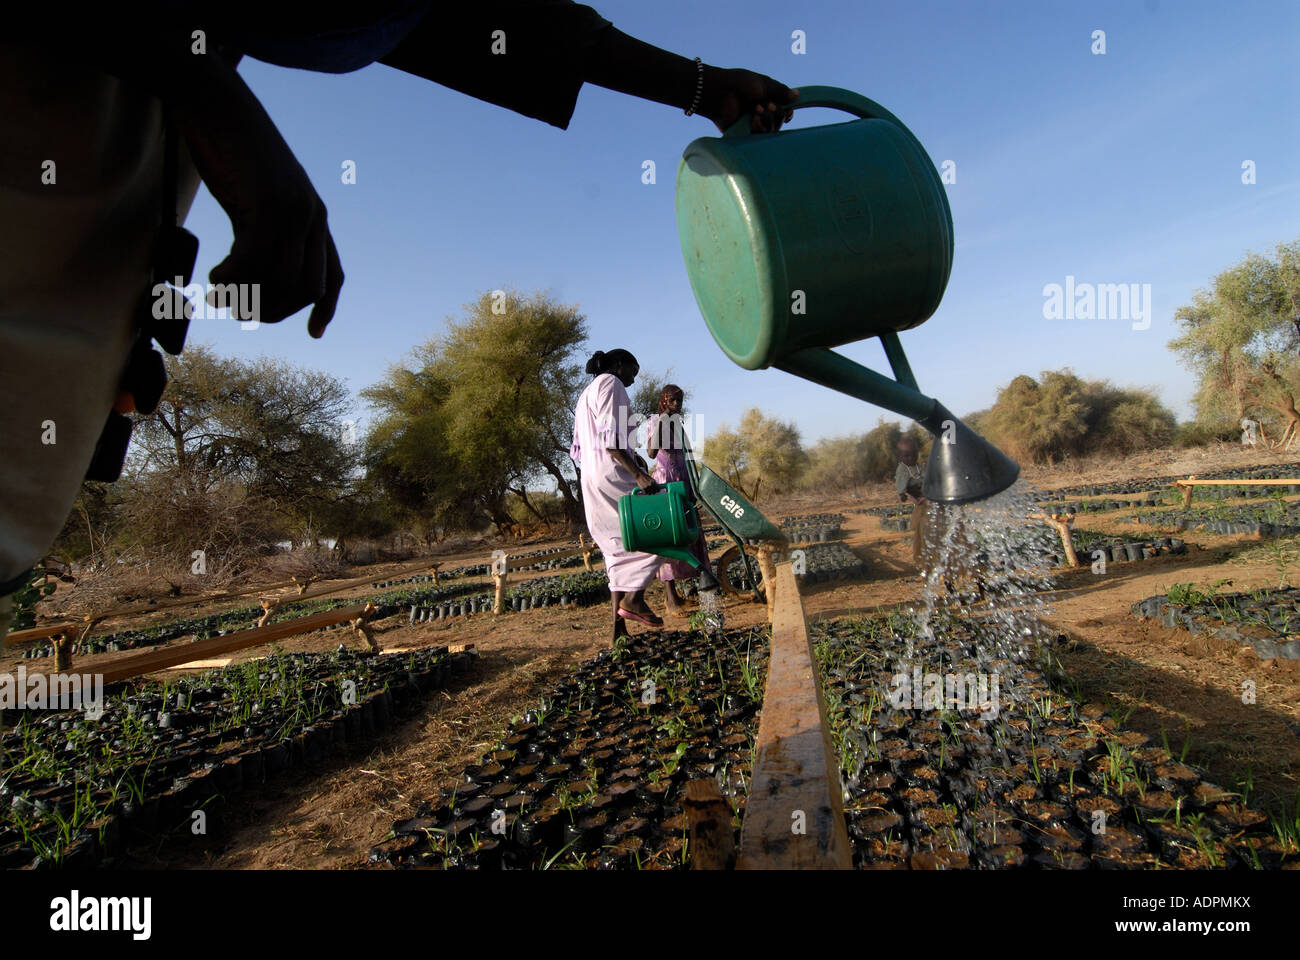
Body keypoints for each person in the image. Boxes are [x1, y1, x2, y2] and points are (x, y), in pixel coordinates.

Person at [0, 5, 800, 633]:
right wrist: (241, 133)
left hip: (84, 267)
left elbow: (479, 20)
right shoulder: (612, 398)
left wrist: (699, 88)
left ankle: (629, 609)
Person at [571, 349, 666, 642]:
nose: (633, 381)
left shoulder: (586, 393)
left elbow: (579, 448)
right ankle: (633, 600)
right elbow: (610, 439)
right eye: (633, 373)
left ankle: (617, 633)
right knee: (661, 530)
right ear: (619, 365)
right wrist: (637, 473)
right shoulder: (611, 384)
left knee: (615, 550)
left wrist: (633, 457)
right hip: (612, 474)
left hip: (591, 476)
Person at [645, 385, 712, 618]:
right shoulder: (656, 420)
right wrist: (663, 420)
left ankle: (683, 593)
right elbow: (651, 452)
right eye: (672, 401)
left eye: (680, 401)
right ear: (664, 401)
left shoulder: (678, 423)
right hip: (666, 483)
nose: (677, 405)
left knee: (688, 533)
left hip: (683, 482)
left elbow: (687, 453)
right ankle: (670, 598)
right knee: (671, 536)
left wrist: (694, 484)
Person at [895, 436, 928, 572]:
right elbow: (901, 489)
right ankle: (923, 560)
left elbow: (928, 479)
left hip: (927, 497)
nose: (910, 458)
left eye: (913, 455)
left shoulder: (919, 467)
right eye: (906, 456)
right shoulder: (902, 470)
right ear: (900, 457)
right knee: (922, 531)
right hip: (920, 502)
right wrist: (904, 495)